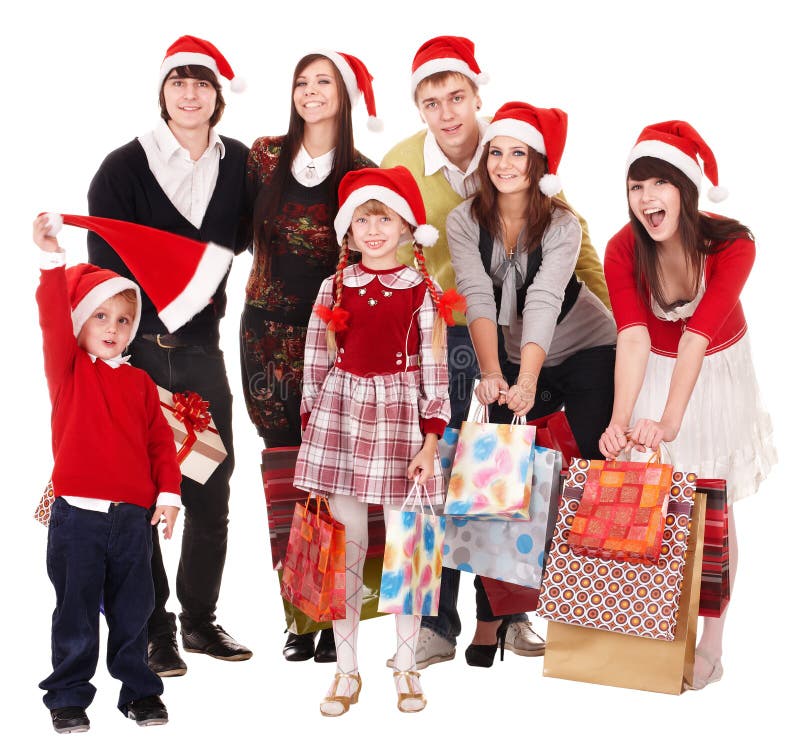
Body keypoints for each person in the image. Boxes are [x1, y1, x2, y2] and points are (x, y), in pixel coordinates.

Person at [381, 34, 611, 667]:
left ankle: (505, 616)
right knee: (426, 465)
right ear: (419, 108)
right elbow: (383, 249)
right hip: (438, 333)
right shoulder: (402, 162)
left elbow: (568, 259)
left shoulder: (510, 144)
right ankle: (427, 624)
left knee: (501, 472)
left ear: (477, 97)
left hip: (514, 338)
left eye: (457, 97)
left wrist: (624, 333)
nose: (447, 112)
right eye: (432, 102)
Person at [87, 35, 252, 678]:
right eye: (178, 82)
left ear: (217, 95)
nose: (189, 93)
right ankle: (155, 629)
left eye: (201, 83)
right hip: (140, 358)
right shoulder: (122, 168)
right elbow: (106, 276)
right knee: (141, 492)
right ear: (162, 91)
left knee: (210, 489)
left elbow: (255, 237)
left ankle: (200, 622)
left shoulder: (240, 165)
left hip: (204, 353)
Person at [599, 120, 777, 689]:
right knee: (650, 506)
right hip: (653, 364)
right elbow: (632, 336)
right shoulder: (622, 248)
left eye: (660, 184)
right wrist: (620, 423)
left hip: (716, 370)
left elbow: (698, 337)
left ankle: (712, 643)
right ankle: (653, 629)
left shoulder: (734, 244)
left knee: (709, 508)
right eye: (636, 187)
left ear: (686, 189)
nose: (647, 198)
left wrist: (670, 421)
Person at [447, 101, 617, 665]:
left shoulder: (563, 223)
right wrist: (495, 376)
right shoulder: (464, 219)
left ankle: (589, 615)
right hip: (509, 354)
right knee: (496, 472)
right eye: (495, 152)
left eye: (517, 153)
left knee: (591, 471)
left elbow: (543, 299)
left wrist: (526, 379)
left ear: (537, 162)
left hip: (586, 346)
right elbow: (476, 296)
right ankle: (493, 618)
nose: (504, 163)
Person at [293, 166, 459, 715]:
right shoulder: (334, 285)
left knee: (407, 549)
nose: (373, 230)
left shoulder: (422, 291)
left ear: (406, 227)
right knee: (346, 549)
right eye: (362, 220)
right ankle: (346, 671)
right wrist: (314, 427)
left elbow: (434, 370)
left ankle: (406, 666)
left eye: (384, 218)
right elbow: (316, 359)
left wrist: (430, 441)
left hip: (401, 423)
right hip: (342, 419)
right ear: (348, 230)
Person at [241, 50, 379, 663]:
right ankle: (299, 615)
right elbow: (228, 230)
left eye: (324, 82)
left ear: (344, 96)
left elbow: (373, 255)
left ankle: (336, 614)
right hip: (265, 336)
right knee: (285, 472)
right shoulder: (263, 156)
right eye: (302, 81)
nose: (311, 91)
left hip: (334, 338)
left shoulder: (361, 171)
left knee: (333, 473)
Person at [33, 214, 181, 733]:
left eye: (123, 319)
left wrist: (168, 495)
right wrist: (52, 257)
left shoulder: (139, 383)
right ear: (80, 322)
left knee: (134, 610)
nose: (113, 328)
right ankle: (68, 697)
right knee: (75, 611)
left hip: (133, 520)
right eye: (100, 317)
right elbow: (52, 315)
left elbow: (160, 444)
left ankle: (140, 692)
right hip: (78, 518)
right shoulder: (68, 369)